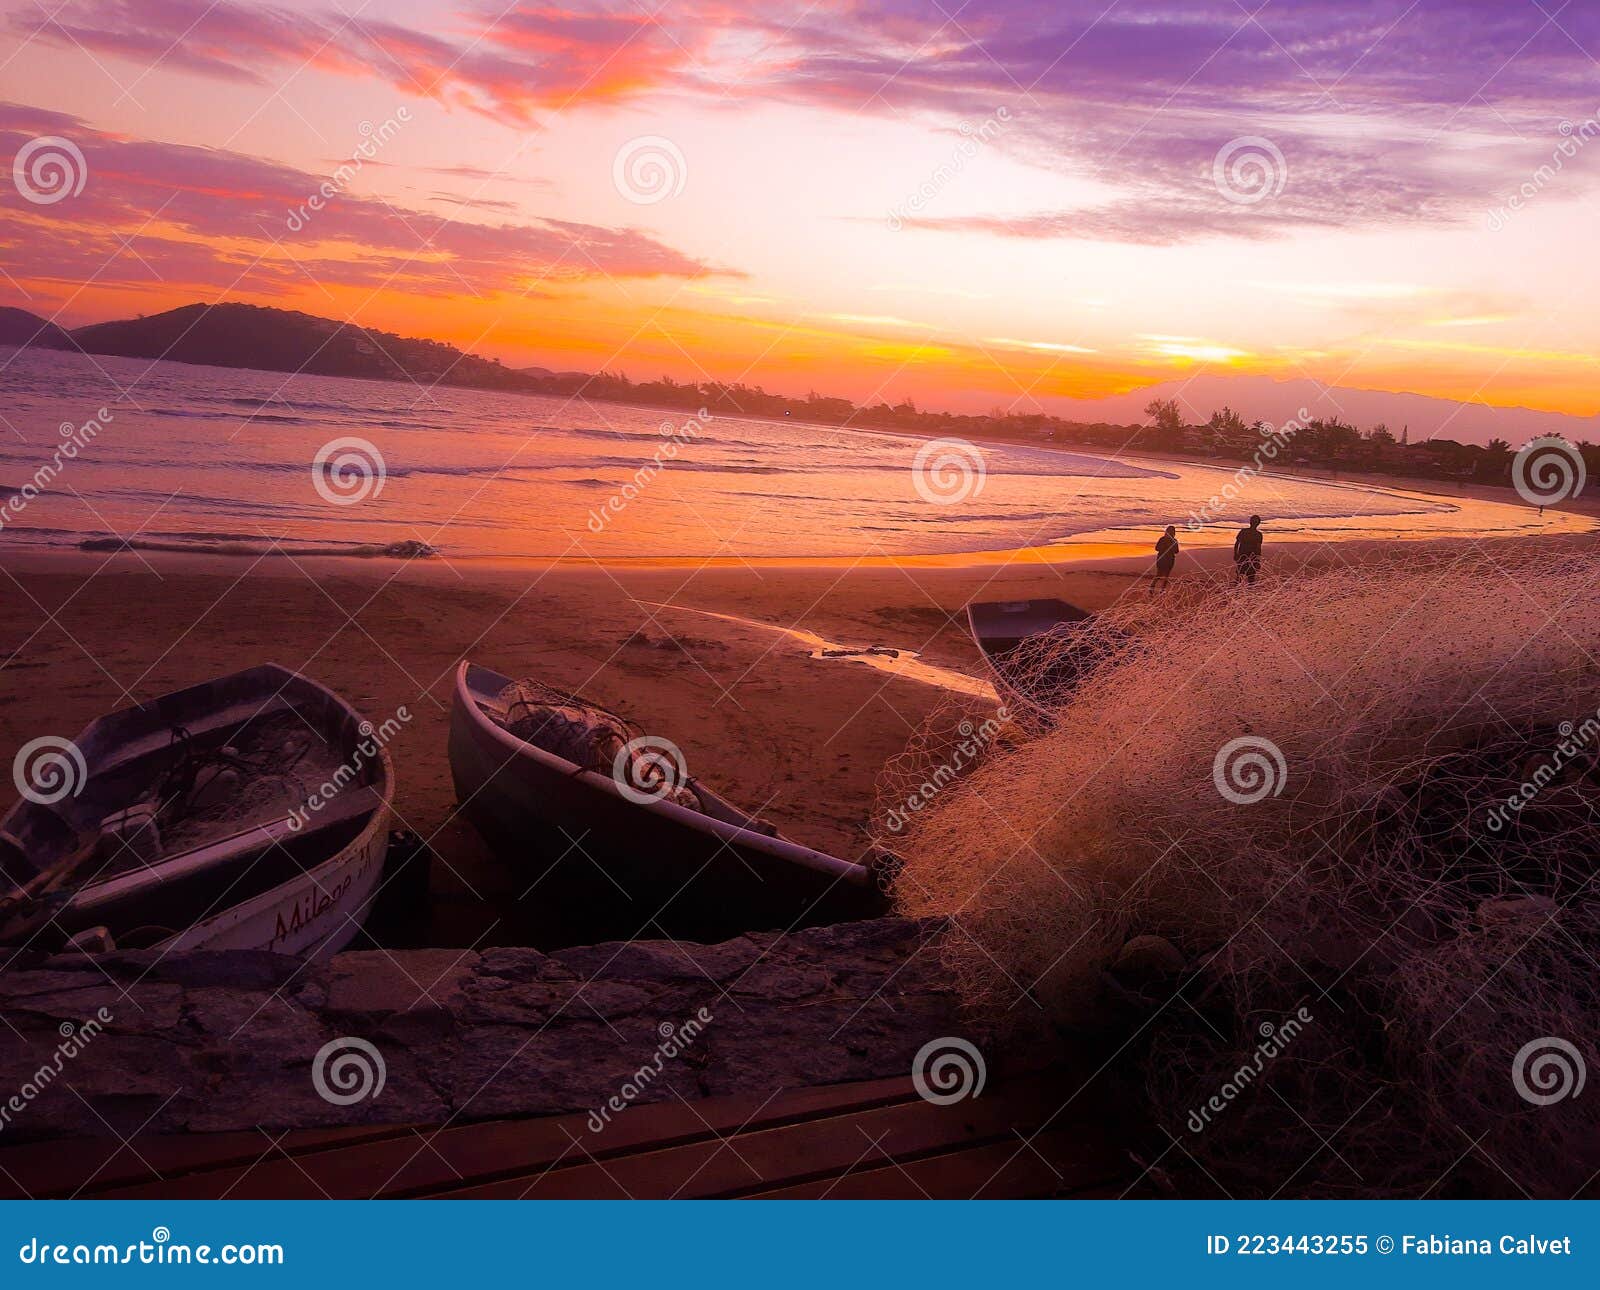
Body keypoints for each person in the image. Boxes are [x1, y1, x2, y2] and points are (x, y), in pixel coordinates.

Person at [1233, 514, 1264, 585]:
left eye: (1255, 522)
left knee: (1251, 578)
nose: (1254, 523)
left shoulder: (1258, 534)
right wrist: (1235, 554)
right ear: (1250, 522)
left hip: (1252, 558)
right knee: (1239, 576)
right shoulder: (1244, 531)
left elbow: (1258, 548)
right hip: (1242, 556)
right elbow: (1237, 543)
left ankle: (1249, 593)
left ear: (1258, 523)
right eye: (1253, 521)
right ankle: (1237, 593)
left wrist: (1258, 560)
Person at [1151, 525, 1178, 594]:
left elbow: (1176, 551)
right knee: (1163, 575)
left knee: (1161, 574)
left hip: (1164, 559)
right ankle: (1157, 588)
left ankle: (1156, 588)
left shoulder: (1163, 539)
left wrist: (1166, 548)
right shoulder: (1172, 540)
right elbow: (1176, 551)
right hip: (1166, 559)